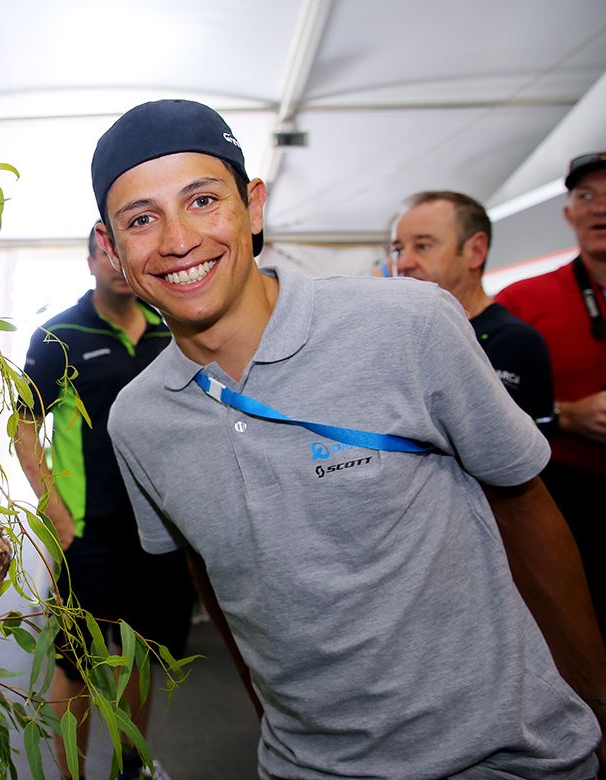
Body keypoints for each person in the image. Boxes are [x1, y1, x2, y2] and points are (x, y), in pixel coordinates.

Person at [92, 99, 606, 778]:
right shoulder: (138, 420)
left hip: (505, 757)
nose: (178, 239)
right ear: (114, 247)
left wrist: (597, 702)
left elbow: (523, 504)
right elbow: (214, 575)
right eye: (141, 220)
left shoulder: (408, 325)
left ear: (254, 206)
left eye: (203, 199)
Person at [14, 225, 193, 780]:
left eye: (126, 249)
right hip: (88, 534)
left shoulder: (171, 328)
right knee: (79, 663)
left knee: (144, 657)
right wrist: (54, 509)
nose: (119, 262)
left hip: (160, 531)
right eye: (106, 252)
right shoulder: (58, 335)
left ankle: (130, 766)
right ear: (91, 261)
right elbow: (23, 425)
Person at [497, 151, 606, 638]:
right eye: (586, 195)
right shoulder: (522, 301)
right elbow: (490, 411)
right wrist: (566, 414)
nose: (599, 207)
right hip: (568, 497)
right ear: (569, 212)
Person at [391, 190, 554, 420]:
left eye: (423, 246)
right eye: (398, 249)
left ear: (476, 251)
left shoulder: (514, 343)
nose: (404, 263)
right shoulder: (394, 339)